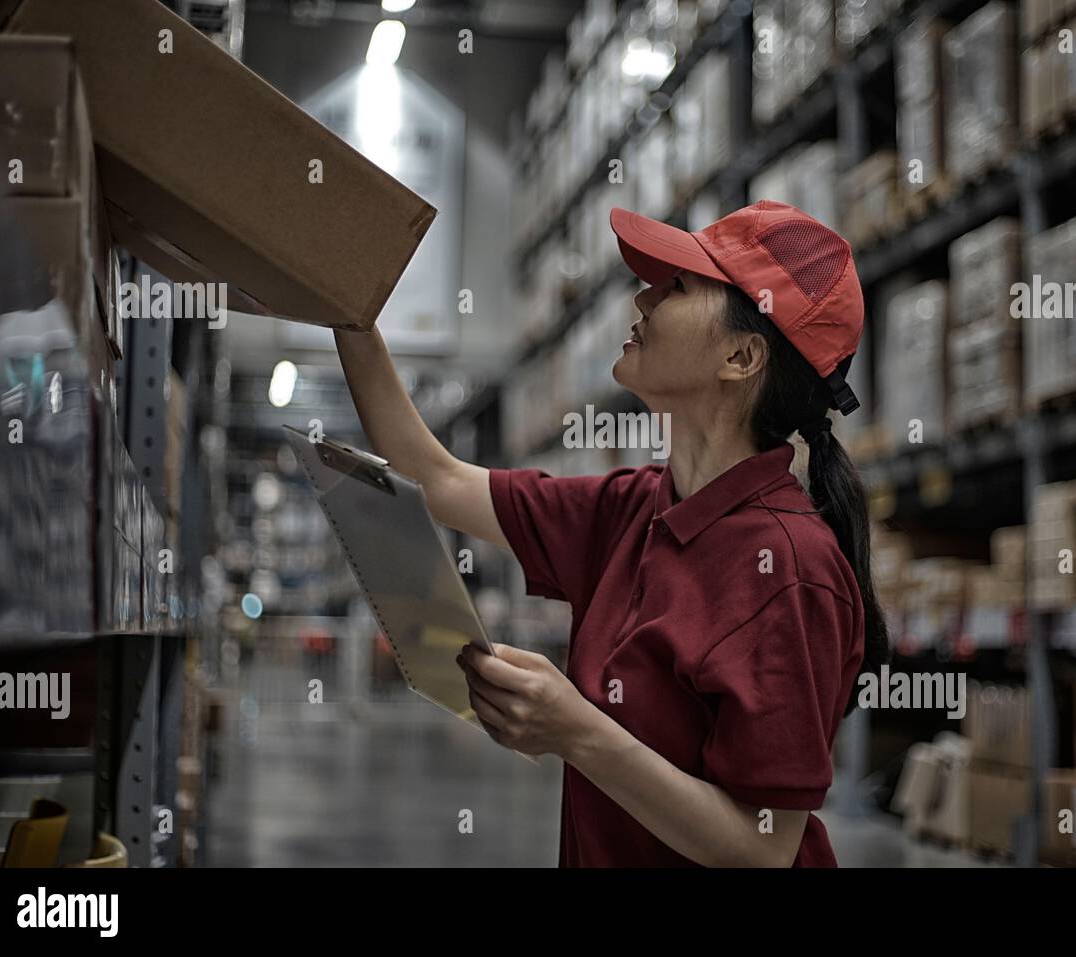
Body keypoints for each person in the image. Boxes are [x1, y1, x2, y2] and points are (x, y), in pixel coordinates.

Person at [334, 200, 888, 867]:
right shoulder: (631, 506)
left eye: (678, 287)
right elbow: (433, 475)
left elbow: (763, 844)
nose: (644, 297)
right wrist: (343, 298)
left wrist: (574, 728)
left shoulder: (791, 570)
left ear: (741, 356)